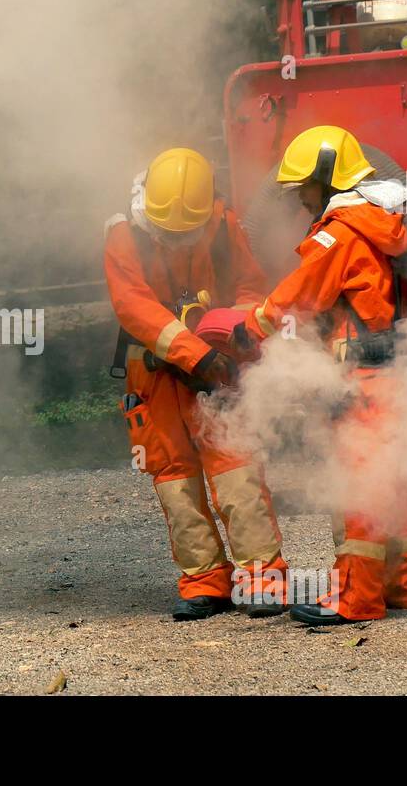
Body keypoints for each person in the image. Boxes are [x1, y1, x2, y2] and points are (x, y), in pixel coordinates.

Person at [241, 125, 407, 625]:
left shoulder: (339, 232)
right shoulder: (381, 220)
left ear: (325, 179)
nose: (300, 198)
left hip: (362, 376)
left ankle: (357, 598)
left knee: (359, 487)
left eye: (303, 187)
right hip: (397, 372)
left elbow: (298, 299)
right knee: (397, 480)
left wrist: (248, 328)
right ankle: (405, 586)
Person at [104, 147, 288, 620]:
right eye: (171, 232)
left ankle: (262, 578)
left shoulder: (224, 226)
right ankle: (203, 579)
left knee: (236, 469)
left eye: (190, 231)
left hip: (218, 363)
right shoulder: (123, 236)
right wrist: (195, 353)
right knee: (174, 477)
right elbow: (135, 308)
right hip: (158, 374)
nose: (181, 239)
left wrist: (235, 332)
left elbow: (250, 285)